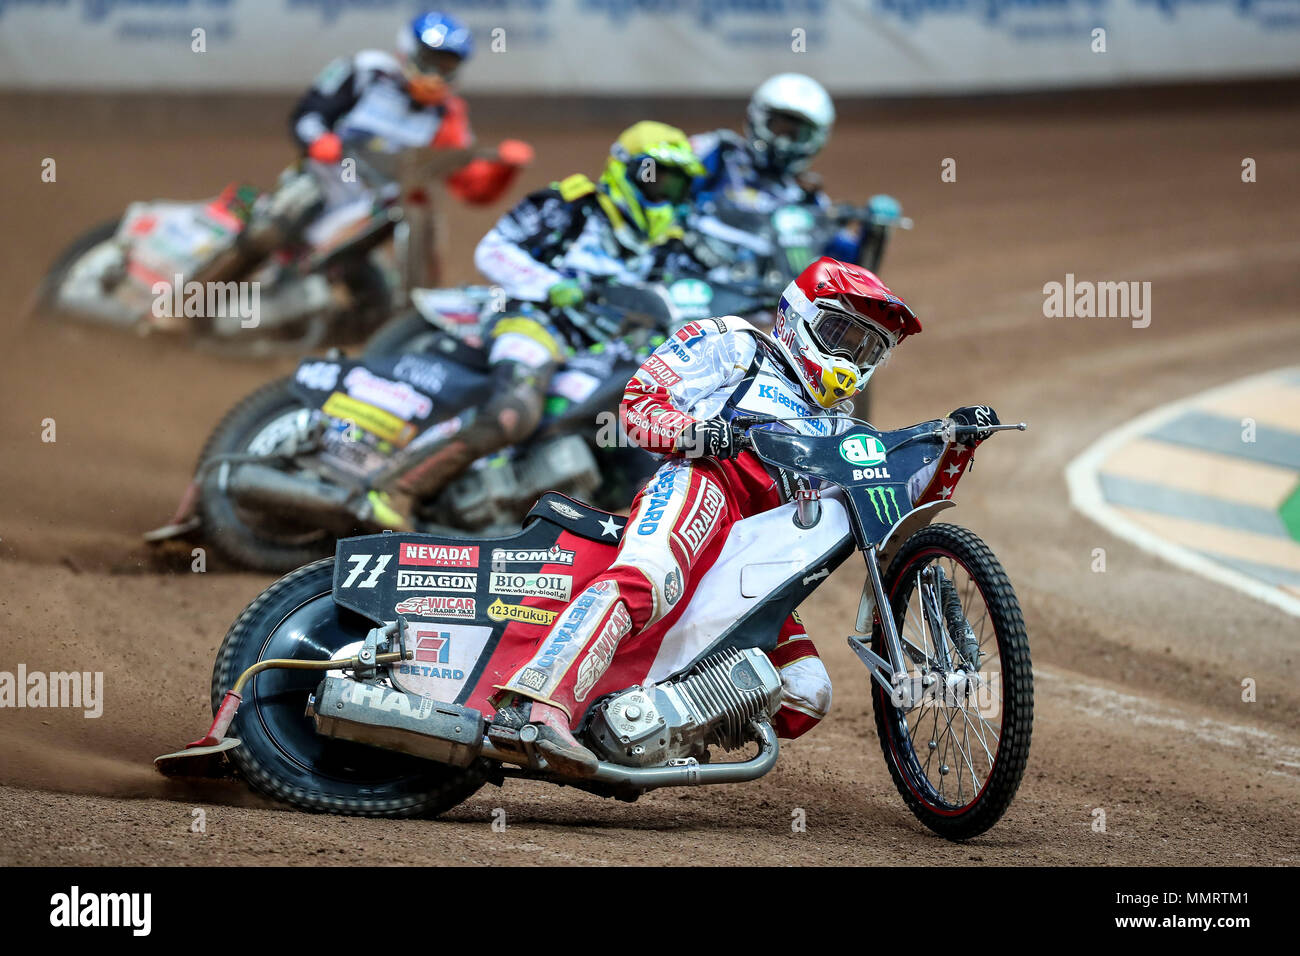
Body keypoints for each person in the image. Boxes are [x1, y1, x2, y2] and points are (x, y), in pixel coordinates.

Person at [487, 256, 926, 776]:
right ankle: (537, 709)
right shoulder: (738, 344)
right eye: (841, 334)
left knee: (808, 693)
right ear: (799, 314)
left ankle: (639, 721)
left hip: (760, 546)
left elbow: (862, 496)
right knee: (648, 580)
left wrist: (940, 446)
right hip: (704, 482)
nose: (851, 358)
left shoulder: (837, 423)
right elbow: (637, 405)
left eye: (867, 348)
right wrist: (701, 434)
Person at [365, 121, 707, 526]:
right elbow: (492, 250)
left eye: (674, 185)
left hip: (600, 353)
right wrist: (552, 285)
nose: (663, 193)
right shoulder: (570, 206)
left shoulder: (672, 246)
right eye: (656, 179)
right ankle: (397, 487)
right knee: (514, 413)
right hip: (533, 321)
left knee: (638, 443)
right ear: (625, 169)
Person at [287, 10, 528, 249]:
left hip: (372, 212)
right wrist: (318, 139)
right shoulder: (368, 71)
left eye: (446, 67)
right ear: (408, 52)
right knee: (274, 225)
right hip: (322, 180)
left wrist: (502, 169)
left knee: (366, 274)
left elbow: (470, 185)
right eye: (429, 62)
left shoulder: (447, 116)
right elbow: (310, 113)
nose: (435, 77)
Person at [689, 73, 870, 266]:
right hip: (692, 273)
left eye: (796, 135)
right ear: (757, 119)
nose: (784, 143)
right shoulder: (720, 152)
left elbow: (840, 262)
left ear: (816, 140)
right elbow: (660, 184)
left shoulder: (804, 196)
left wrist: (872, 232)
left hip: (755, 291)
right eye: (779, 128)